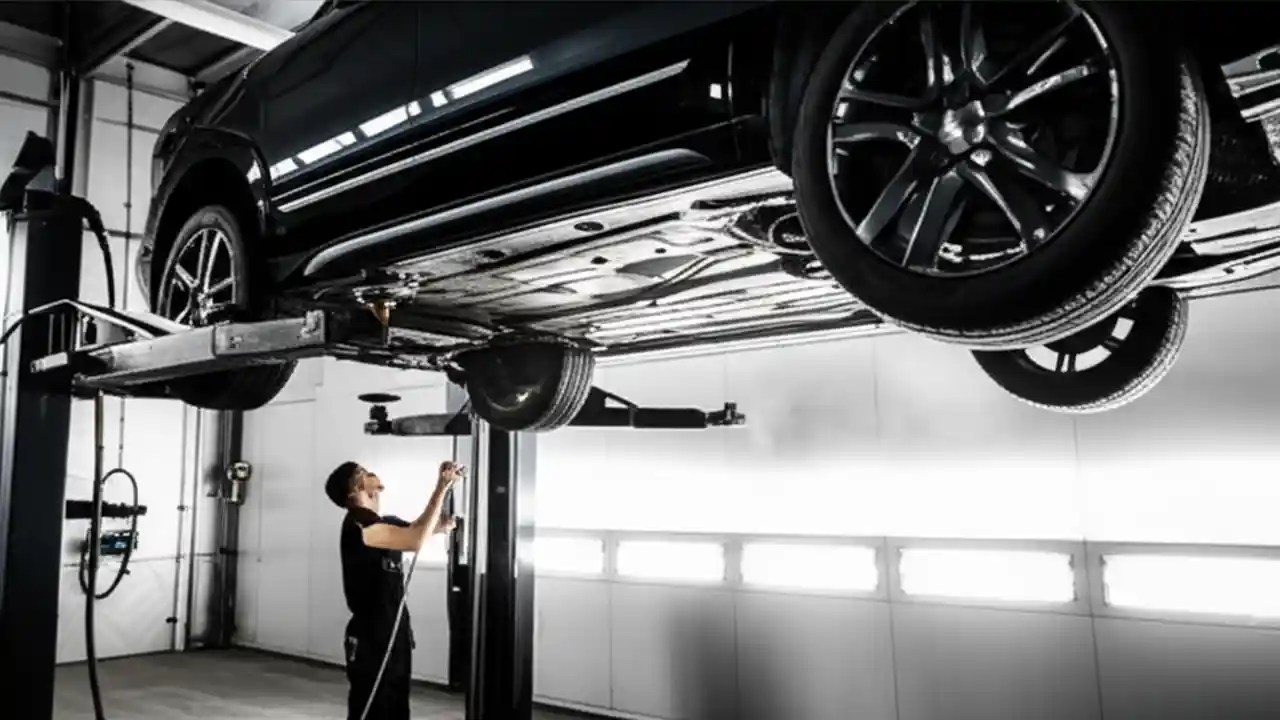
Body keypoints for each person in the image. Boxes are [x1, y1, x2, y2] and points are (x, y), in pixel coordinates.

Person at [324, 459, 462, 720]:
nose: (373, 475)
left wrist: (441, 525)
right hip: (373, 636)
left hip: (394, 630)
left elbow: (414, 529)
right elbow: (414, 539)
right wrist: (442, 486)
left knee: (397, 705)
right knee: (375, 706)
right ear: (354, 490)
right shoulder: (358, 524)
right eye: (364, 473)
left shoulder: (381, 522)